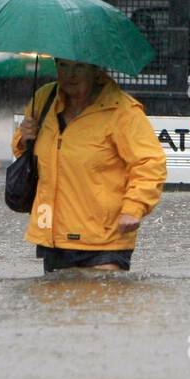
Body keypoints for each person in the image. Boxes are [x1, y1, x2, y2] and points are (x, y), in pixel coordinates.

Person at [12, 58, 167, 273]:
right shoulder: (44, 99)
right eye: (63, 66)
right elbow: (31, 158)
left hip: (104, 238)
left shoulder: (122, 110)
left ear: (96, 70)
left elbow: (149, 163)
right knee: (54, 304)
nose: (70, 75)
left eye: (79, 66)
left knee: (101, 300)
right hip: (52, 234)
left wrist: (134, 208)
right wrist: (23, 139)